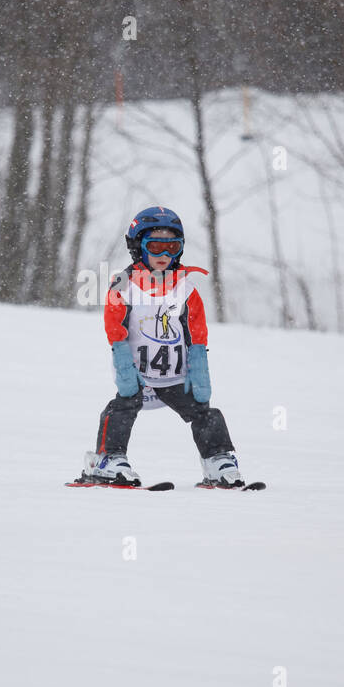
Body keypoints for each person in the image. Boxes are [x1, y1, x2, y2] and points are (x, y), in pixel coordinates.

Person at [79, 206, 244, 487]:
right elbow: (114, 328)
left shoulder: (186, 289)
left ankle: (218, 460)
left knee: (205, 413)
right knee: (119, 409)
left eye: (172, 247)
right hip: (138, 375)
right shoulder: (124, 286)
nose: (164, 255)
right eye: (155, 246)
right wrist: (123, 365)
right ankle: (108, 459)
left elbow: (197, 331)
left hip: (175, 376)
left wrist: (199, 370)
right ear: (137, 247)